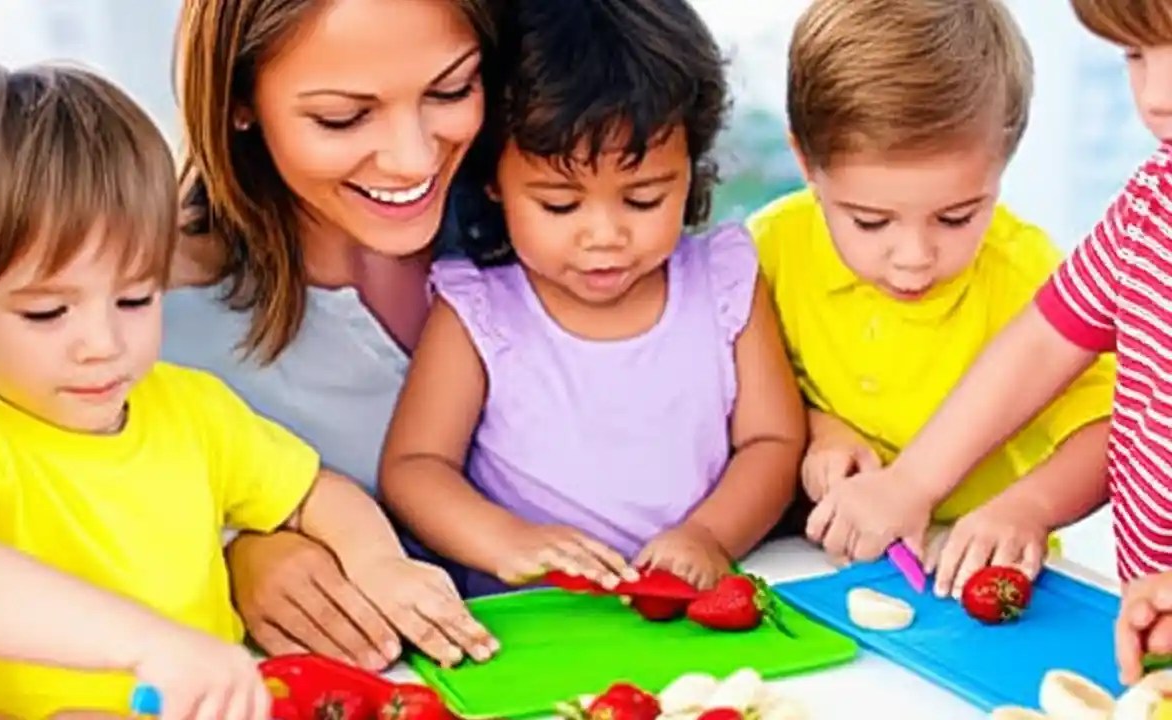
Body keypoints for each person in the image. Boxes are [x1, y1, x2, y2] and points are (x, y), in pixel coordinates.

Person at [0, 63, 488, 720]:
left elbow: (313, 492)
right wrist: (152, 647)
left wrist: (379, 563)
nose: (103, 342)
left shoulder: (189, 407)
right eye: (46, 313)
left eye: (134, 298)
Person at [799, 0, 1172, 685]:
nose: (1155, 98)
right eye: (1134, 56)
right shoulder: (1154, 198)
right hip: (1146, 620)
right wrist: (914, 481)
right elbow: (1042, 343)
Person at [378, 0, 806, 597]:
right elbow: (415, 468)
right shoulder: (478, 310)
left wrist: (709, 536)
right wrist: (508, 540)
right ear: (493, 182)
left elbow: (773, 442)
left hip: (693, 611)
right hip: (532, 621)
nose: (604, 236)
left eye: (644, 199)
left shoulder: (723, 285)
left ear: (690, 169)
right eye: (559, 204)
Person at [162, 0, 502, 669]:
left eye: (452, 89)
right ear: (238, 101)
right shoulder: (146, 310)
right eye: (342, 117)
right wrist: (230, 553)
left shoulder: (548, 208)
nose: (411, 159)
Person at [754, 0, 1116, 598]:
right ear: (805, 163)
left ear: (1003, 164)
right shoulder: (768, 252)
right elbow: (733, 397)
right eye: (870, 221)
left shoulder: (1030, 275)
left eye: (956, 216)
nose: (914, 256)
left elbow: (1112, 429)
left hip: (976, 575)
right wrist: (819, 429)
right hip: (808, 569)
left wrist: (1029, 508)